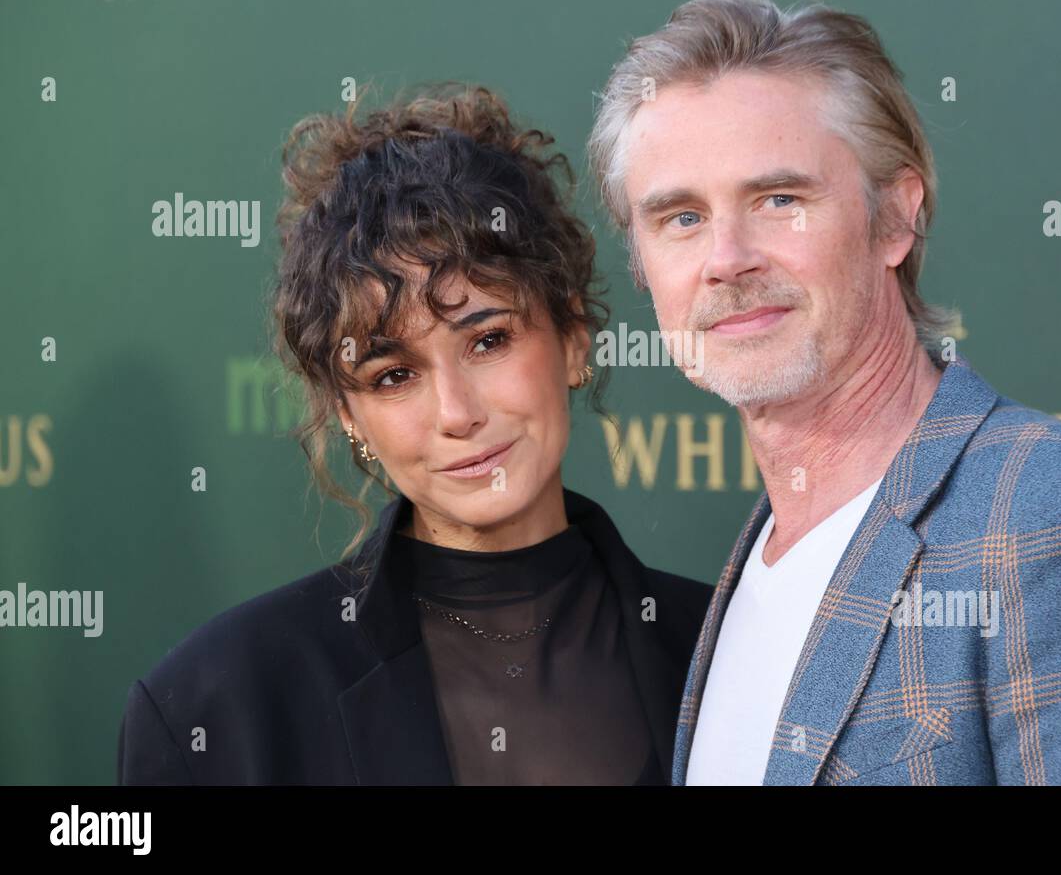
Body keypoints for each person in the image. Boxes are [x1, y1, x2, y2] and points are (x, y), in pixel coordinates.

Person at [587, 0, 1061, 785]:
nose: (726, 258)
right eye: (680, 218)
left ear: (895, 220)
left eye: (779, 199)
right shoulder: (748, 572)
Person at [116, 82, 712, 785]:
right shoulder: (218, 703)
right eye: (393, 375)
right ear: (346, 411)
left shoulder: (735, 650)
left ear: (574, 338)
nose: (457, 412)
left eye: (488, 340)